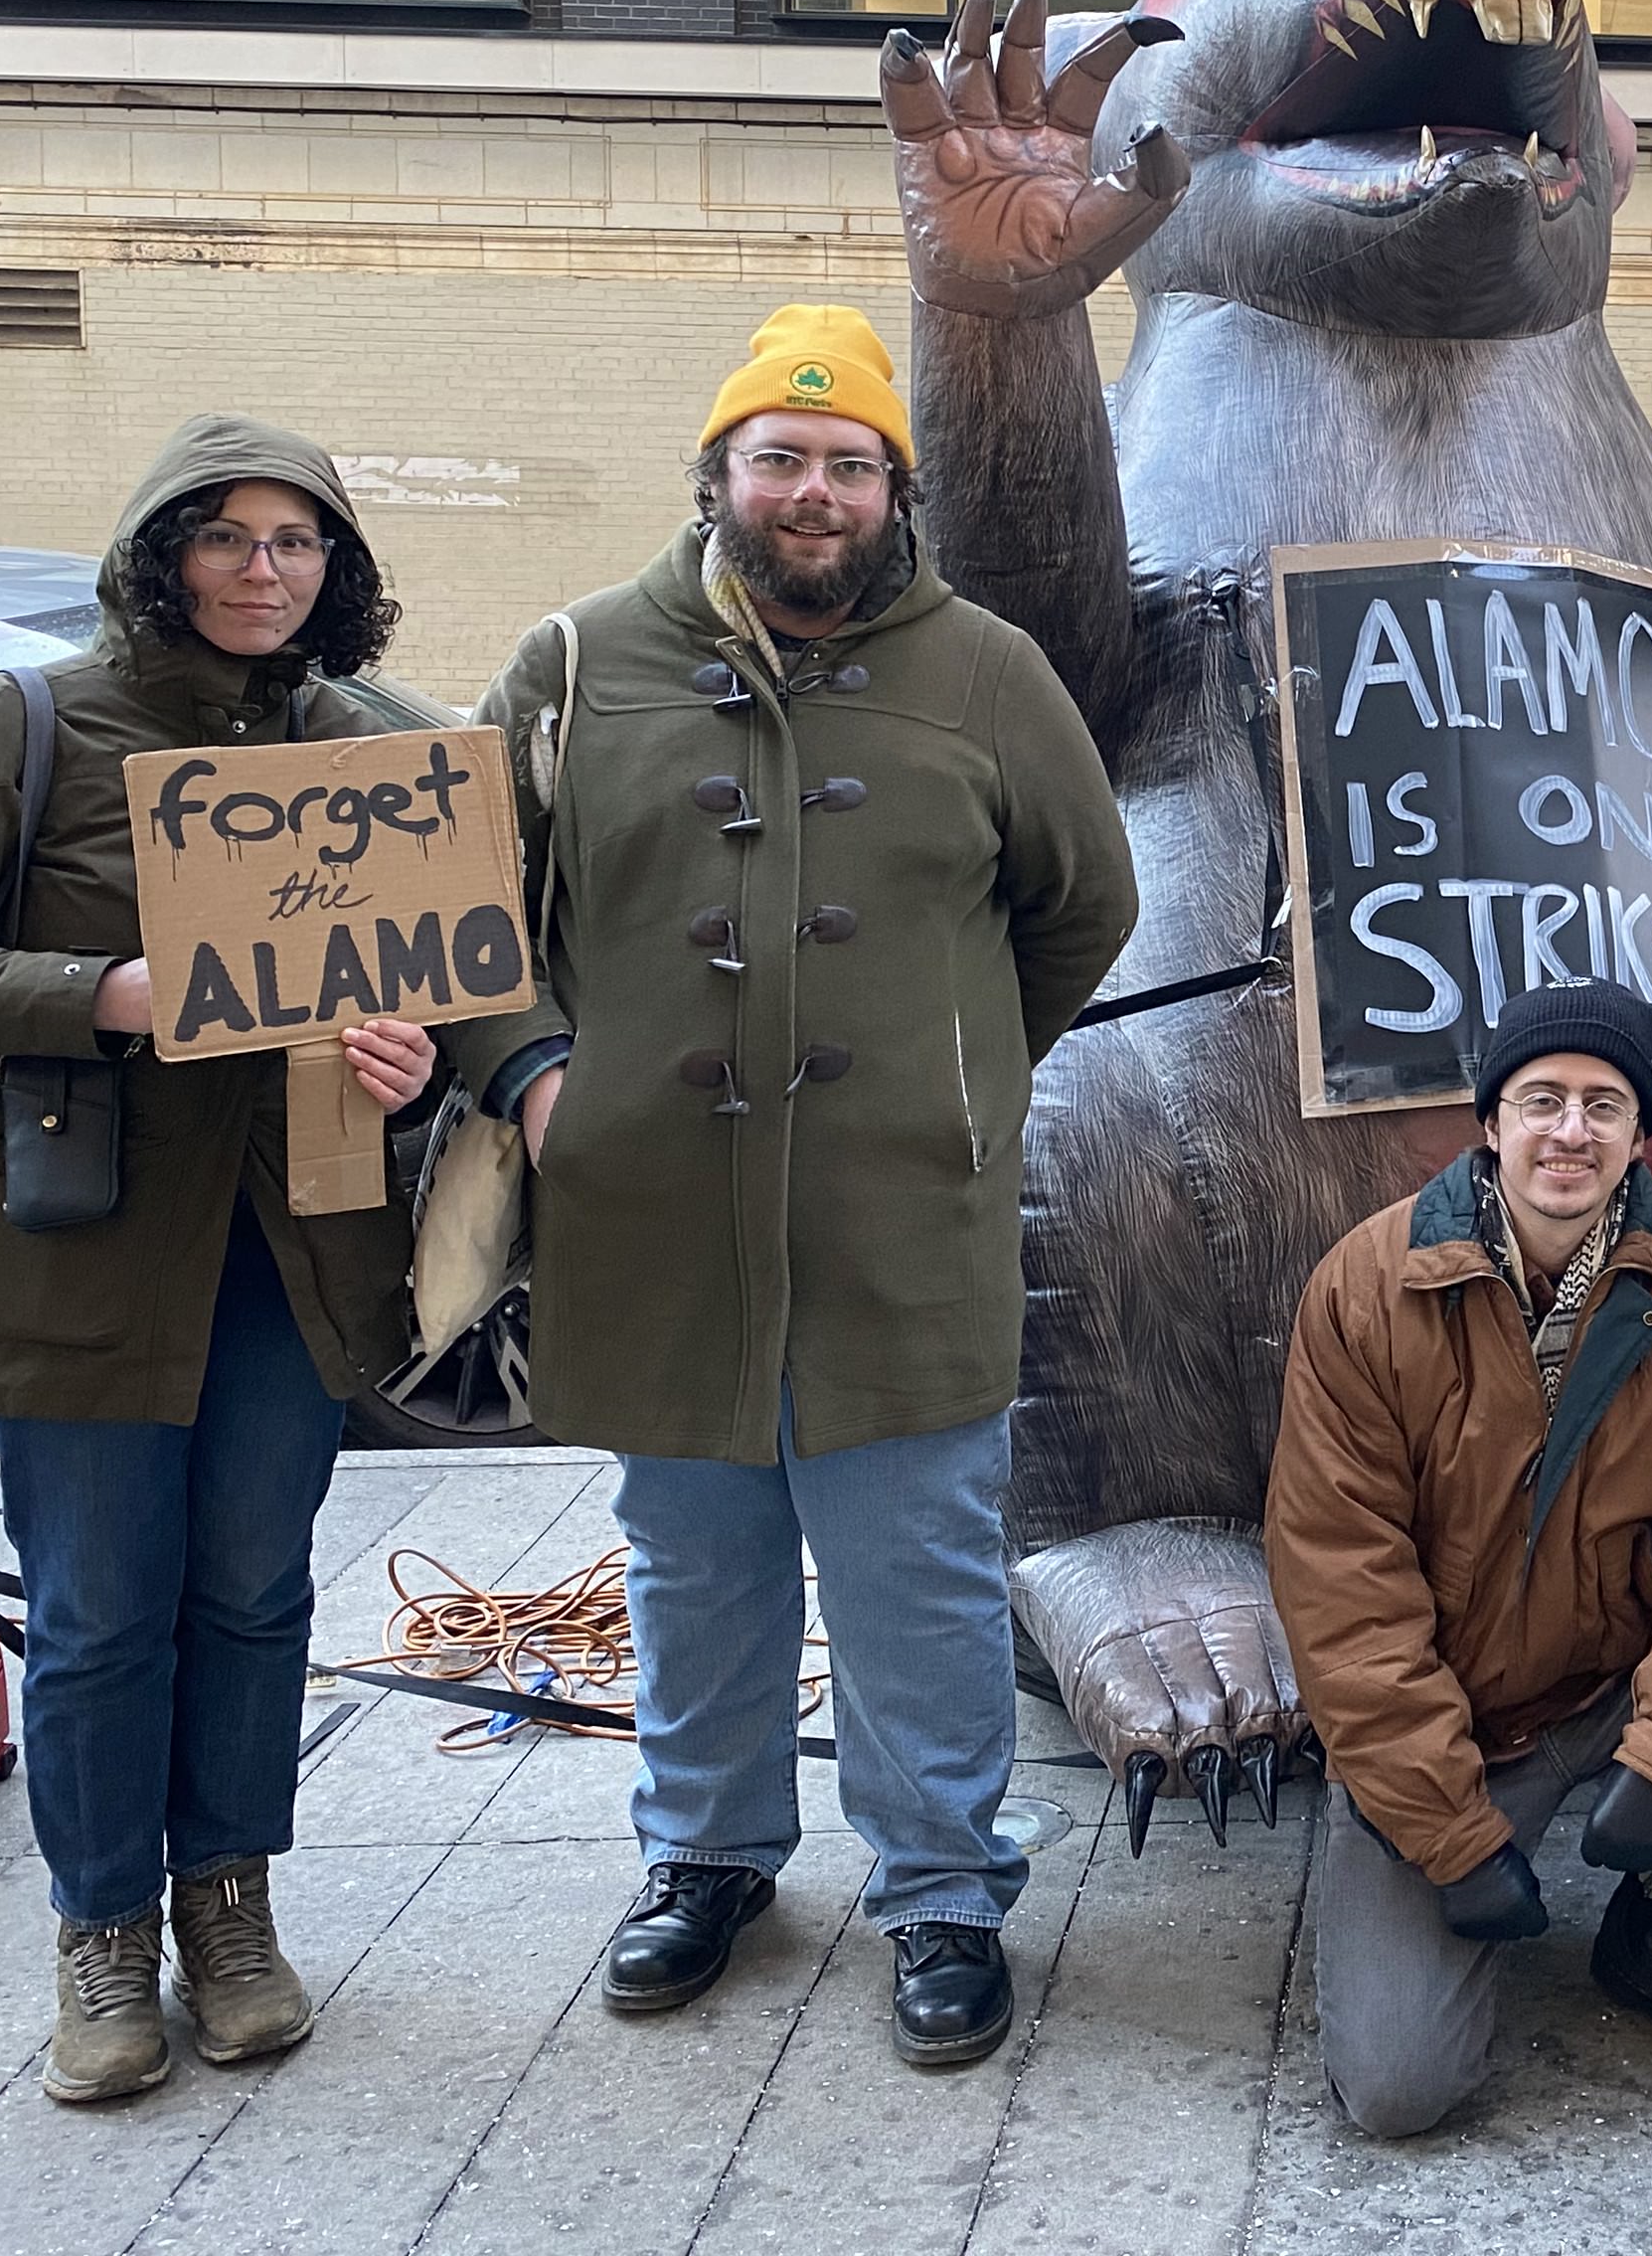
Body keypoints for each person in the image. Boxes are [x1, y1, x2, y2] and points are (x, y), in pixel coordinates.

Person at [450, 303, 1140, 2069]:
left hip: (902, 1222)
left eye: (849, 462)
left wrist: (959, 1069)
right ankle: (705, 1853)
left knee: (914, 1565)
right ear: (719, 476)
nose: (814, 489)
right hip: (650, 1215)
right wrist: (534, 1072)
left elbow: (1084, 904)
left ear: (894, 489)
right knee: (693, 1560)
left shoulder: (986, 664)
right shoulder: (574, 661)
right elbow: (462, 912)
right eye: (781, 455)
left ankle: (941, 1888)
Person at [0, 417, 488, 2105]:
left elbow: (457, 989)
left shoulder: (369, 746)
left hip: (295, 1251)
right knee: (103, 1613)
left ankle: (232, 1905)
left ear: (339, 572)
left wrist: (425, 1062)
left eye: (300, 542)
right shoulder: (27, 724)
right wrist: (95, 996)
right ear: (160, 547)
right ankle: (102, 1932)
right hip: (78, 1252)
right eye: (230, 536)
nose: (265, 569)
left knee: (253, 1593)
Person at [1264, 983, 1652, 2136]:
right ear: (1491, 1122)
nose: (1571, 1131)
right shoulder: (1368, 1288)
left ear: (1643, 1135)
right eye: (1542, 1099)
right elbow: (1341, 1588)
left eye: (1604, 1105)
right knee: (1400, 2091)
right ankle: (1437, 1869)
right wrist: (1451, 1838)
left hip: (1627, 1681)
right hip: (1456, 1718)